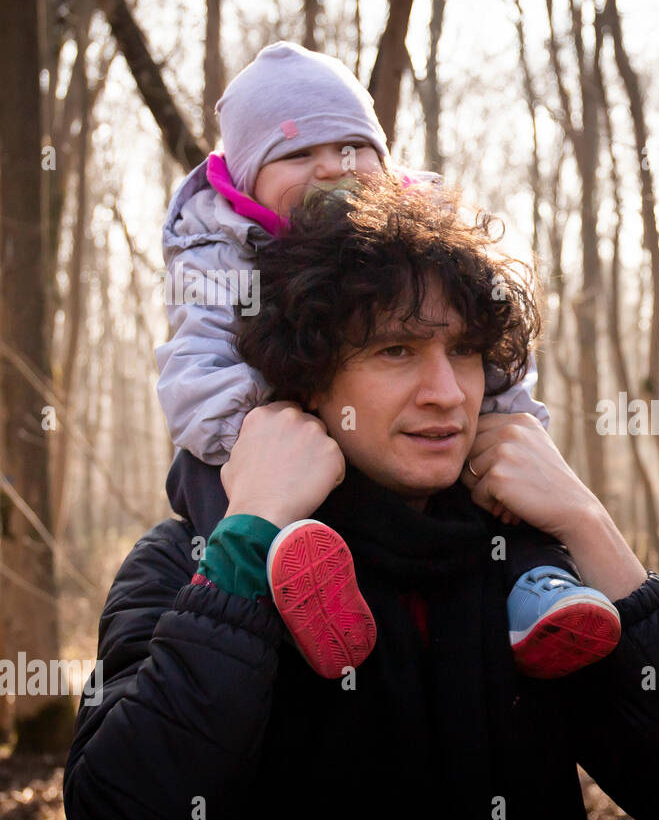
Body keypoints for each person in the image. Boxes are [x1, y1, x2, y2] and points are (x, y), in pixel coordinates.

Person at [63, 174, 659, 820]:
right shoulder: (191, 563)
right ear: (308, 378)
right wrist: (248, 542)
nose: (446, 393)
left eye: (463, 351)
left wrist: (588, 522)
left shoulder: (534, 573)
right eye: (396, 350)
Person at [157, 40, 616, 681]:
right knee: (199, 473)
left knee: (502, 481)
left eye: (350, 149)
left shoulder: (424, 240)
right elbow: (195, 366)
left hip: (395, 455)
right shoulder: (218, 249)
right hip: (261, 440)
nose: (329, 168)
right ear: (244, 180)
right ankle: (281, 572)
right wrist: (253, 443)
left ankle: (542, 586)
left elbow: (498, 336)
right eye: (295, 153)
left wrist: (514, 425)